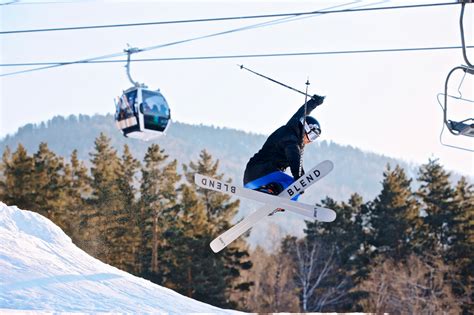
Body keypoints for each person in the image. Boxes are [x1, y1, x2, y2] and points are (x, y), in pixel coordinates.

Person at [243, 94, 325, 197]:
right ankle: (271, 191)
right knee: (293, 188)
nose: (311, 141)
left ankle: (272, 196)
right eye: (312, 136)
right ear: (305, 129)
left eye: (315, 138)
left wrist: (314, 102)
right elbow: (294, 159)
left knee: (294, 194)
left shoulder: (292, 127)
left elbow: (302, 113)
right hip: (261, 173)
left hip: (251, 177)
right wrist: (301, 181)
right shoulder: (291, 139)